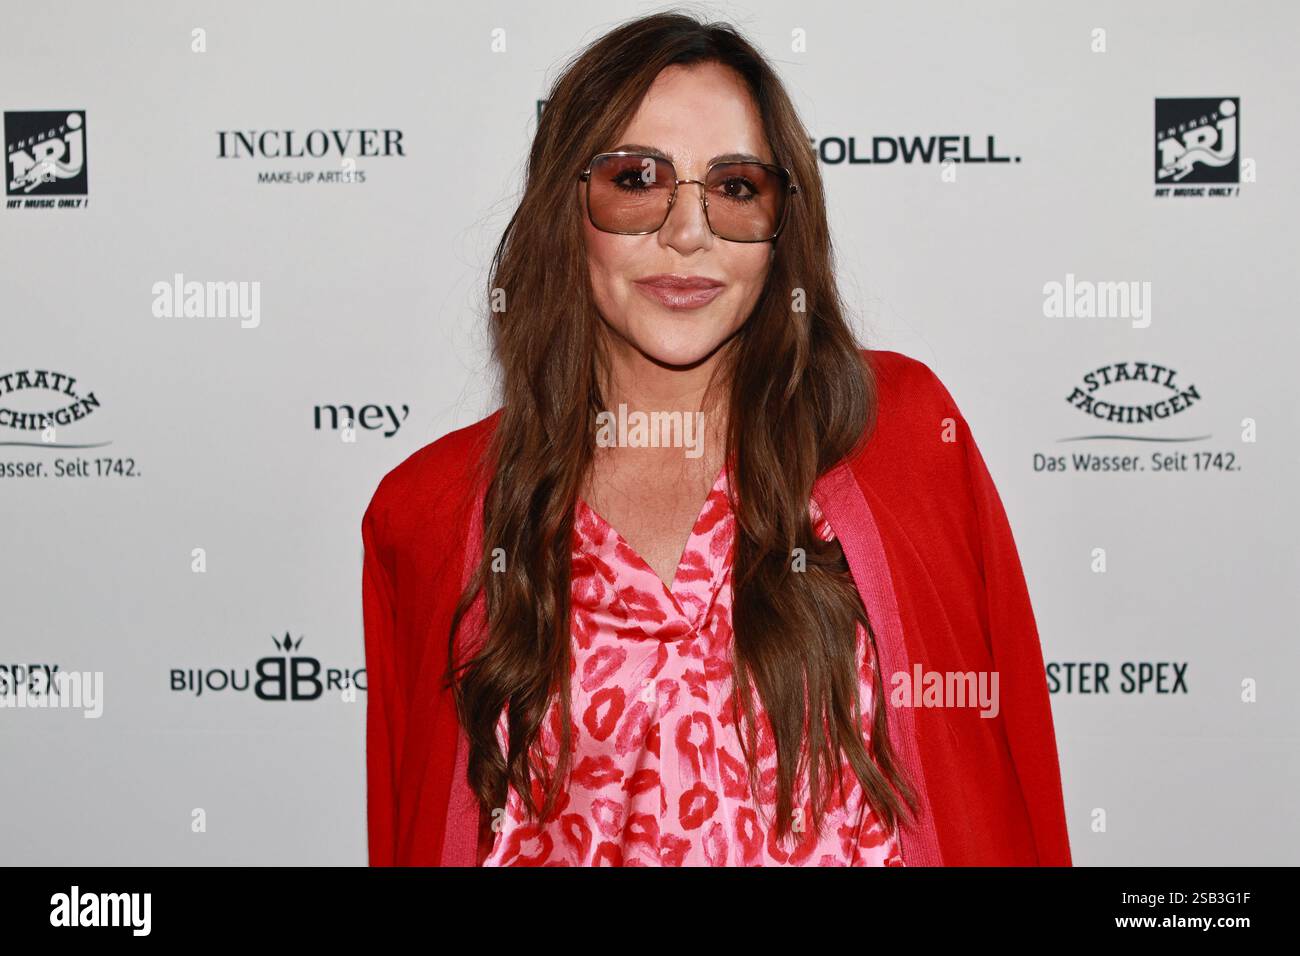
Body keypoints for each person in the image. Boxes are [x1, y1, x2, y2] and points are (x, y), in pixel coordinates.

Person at [361, 12, 1071, 866]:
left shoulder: (906, 436)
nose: (687, 233)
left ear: (782, 228)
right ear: (568, 206)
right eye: (637, 179)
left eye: (736, 187)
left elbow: (1009, 773)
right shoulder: (429, 511)